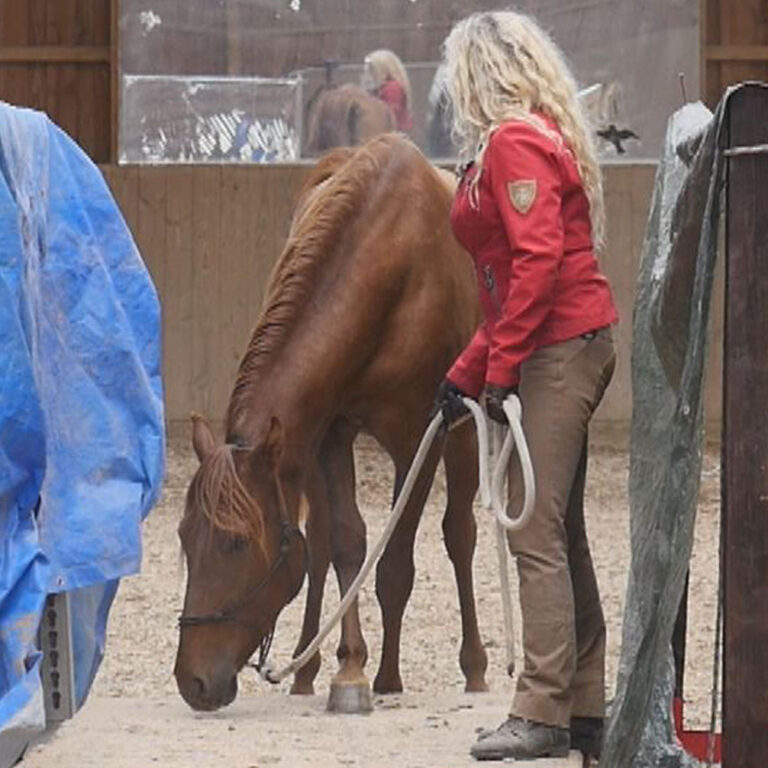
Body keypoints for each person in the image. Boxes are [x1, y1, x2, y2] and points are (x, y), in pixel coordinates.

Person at [433, 11, 618, 762]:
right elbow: (512, 281)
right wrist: (469, 370)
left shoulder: (513, 142)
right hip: (559, 340)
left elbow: (537, 265)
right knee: (559, 529)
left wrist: (501, 365)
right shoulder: (529, 139)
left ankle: (541, 708)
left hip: (558, 348)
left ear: (479, 73)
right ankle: (585, 704)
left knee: (532, 526)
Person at [361, 49, 413, 133]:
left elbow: (390, 119)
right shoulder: (380, 89)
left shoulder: (392, 89)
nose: (367, 74)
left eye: (371, 70)